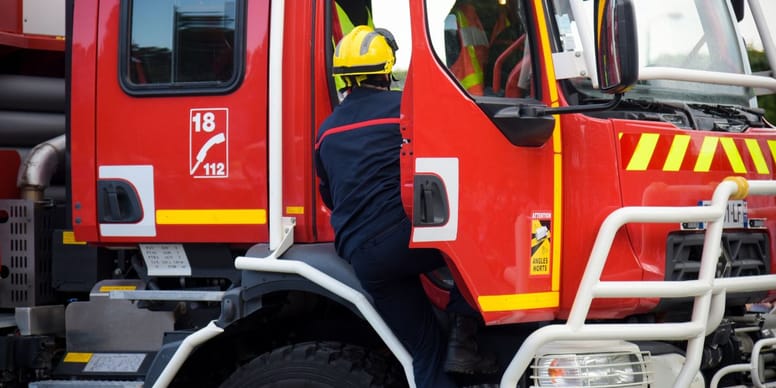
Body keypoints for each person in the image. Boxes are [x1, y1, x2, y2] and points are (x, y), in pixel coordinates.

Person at [315, 25, 496, 388]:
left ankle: (449, 356)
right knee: (488, 235)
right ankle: (464, 334)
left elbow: (330, 197)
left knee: (425, 352)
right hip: (405, 240)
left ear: (343, 78)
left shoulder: (326, 131)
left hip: (363, 258)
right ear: (386, 71)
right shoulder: (404, 111)